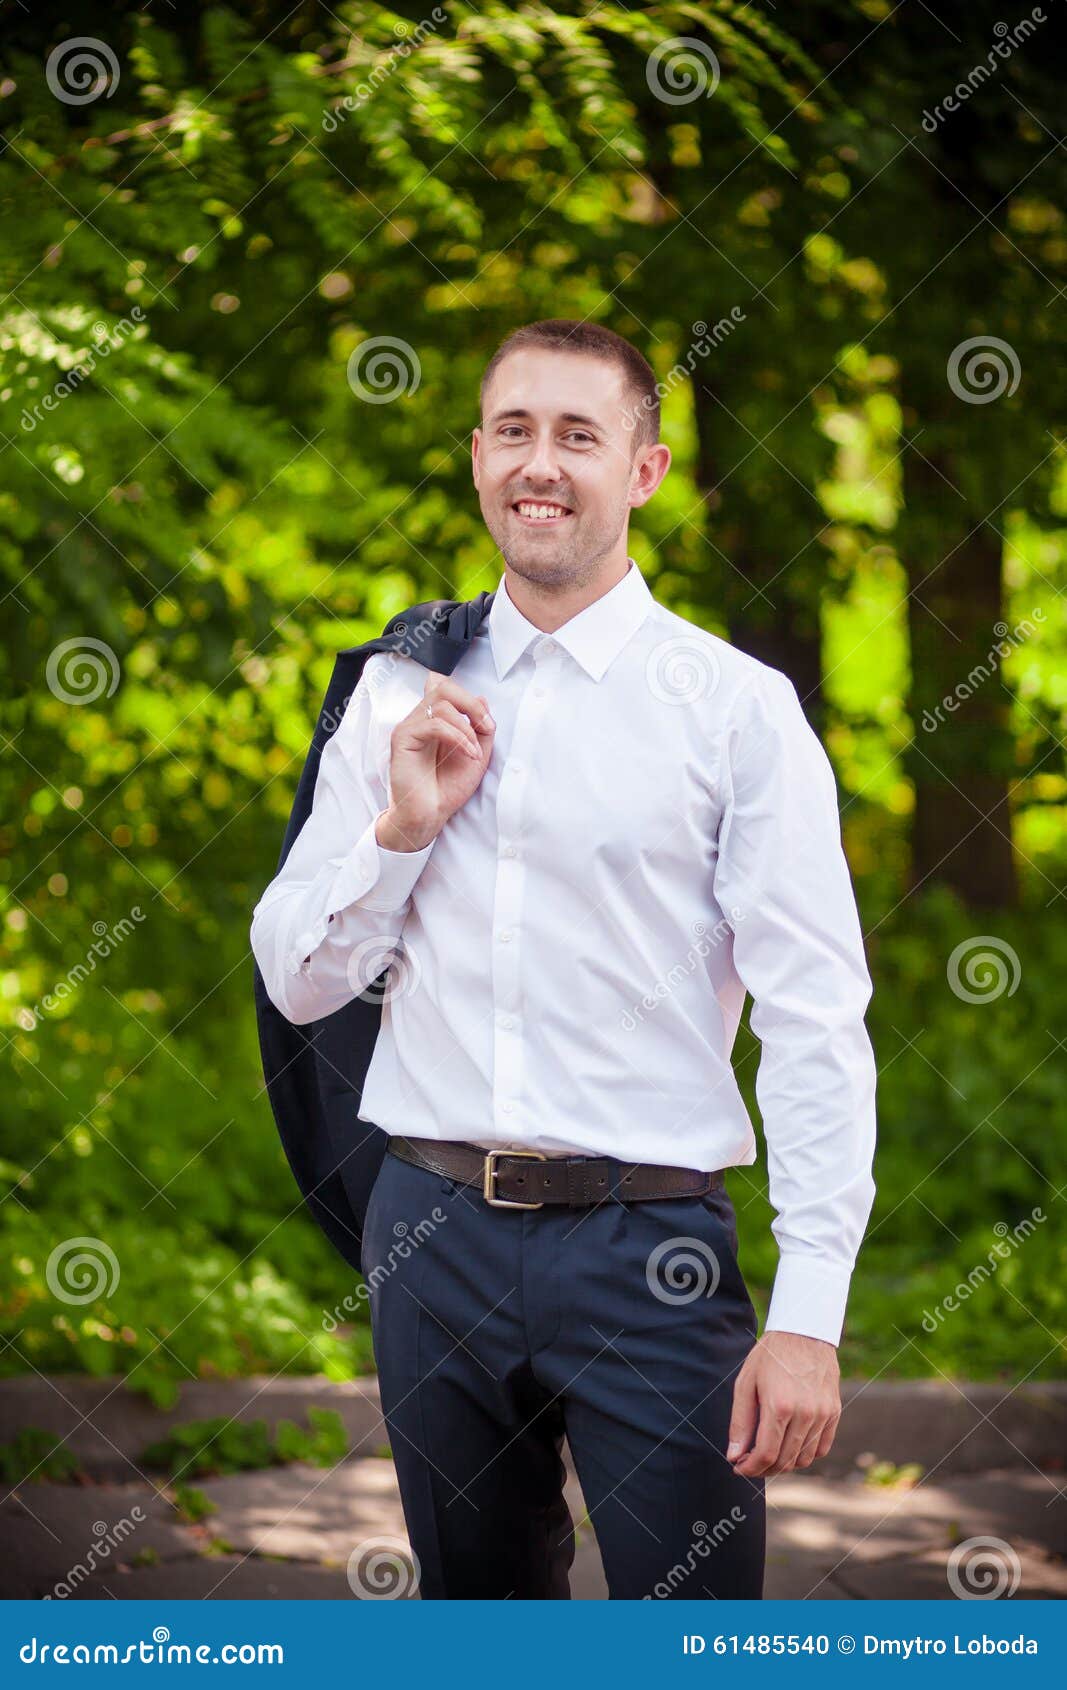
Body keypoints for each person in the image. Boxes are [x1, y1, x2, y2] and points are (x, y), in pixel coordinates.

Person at [250, 319, 877, 1600]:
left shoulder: (734, 708)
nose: (541, 465)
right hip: (429, 1232)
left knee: (687, 1638)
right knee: (479, 1633)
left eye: (578, 436)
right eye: (515, 431)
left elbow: (814, 1016)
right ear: (477, 456)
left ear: (641, 471)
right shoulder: (393, 690)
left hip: (651, 1249)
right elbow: (296, 979)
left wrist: (808, 1311)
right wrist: (400, 830)